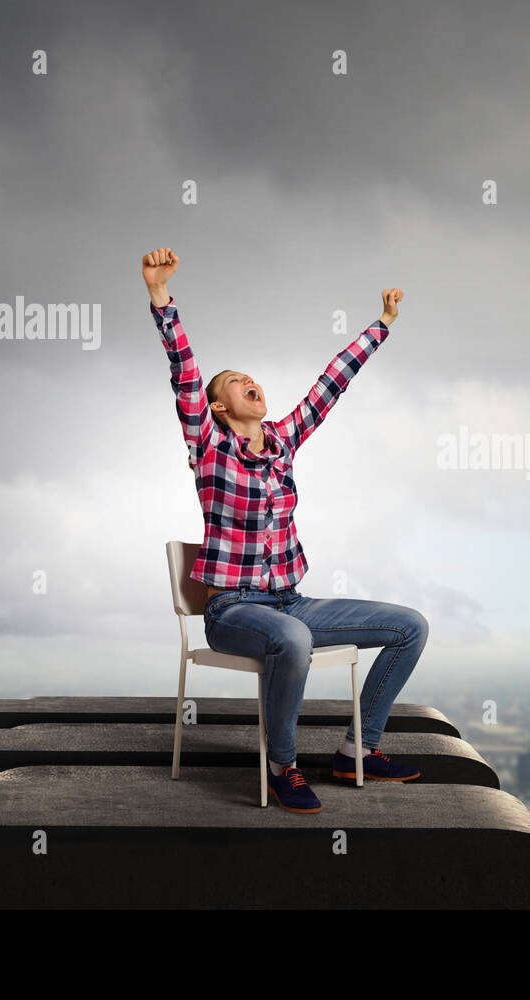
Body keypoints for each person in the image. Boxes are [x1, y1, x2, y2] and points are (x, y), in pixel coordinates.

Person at [142, 247, 427, 813]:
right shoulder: (209, 444)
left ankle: (359, 752)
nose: (251, 382)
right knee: (291, 641)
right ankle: (281, 768)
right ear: (218, 407)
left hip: (291, 602)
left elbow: (331, 383)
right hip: (234, 611)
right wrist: (160, 298)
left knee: (409, 627)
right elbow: (184, 370)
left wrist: (383, 325)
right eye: (235, 382)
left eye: (253, 378)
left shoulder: (283, 440)